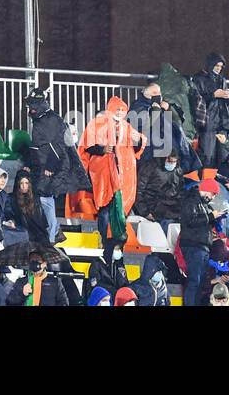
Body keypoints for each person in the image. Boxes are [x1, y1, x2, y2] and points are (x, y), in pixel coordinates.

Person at [78, 95, 146, 240]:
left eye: (122, 109)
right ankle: (105, 239)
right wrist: (102, 149)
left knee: (119, 209)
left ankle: (116, 241)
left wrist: (139, 140)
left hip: (123, 179)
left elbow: (137, 145)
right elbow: (86, 145)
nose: (120, 112)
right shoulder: (97, 124)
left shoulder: (127, 127)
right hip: (104, 175)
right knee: (105, 209)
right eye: (117, 109)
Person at [179, 177, 222, 306]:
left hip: (202, 247)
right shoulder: (191, 200)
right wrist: (210, 216)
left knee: (200, 282)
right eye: (213, 194)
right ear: (206, 190)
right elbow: (190, 221)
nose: (213, 198)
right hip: (193, 246)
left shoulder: (203, 204)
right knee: (194, 281)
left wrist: (214, 218)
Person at [190, 51, 229, 168]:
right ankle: (207, 183)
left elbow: (227, 103)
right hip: (208, 122)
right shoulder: (199, 78)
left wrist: (227, 97)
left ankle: (221, 183)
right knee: (208, 156)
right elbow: (196, 100)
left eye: (221, 66)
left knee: (224, 155)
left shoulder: (222, 79)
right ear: (210, 65)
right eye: (217, 66)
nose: (219, 69)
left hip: (222, 122)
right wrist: (213, 95)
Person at [136, 151, 184, 223]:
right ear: (164, 158)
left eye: (174, 162)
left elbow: (180, 191)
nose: (171, 164)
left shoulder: (178, 170)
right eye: (169, 161)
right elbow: (139, 191)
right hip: (153, 207)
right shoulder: (150, 167)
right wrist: (145, 212)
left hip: (171, 208)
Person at [83, 238, 130, 302]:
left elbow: (124, 283)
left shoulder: (119, 265)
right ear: (110, 250)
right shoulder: (97, 264)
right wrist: (114, 291)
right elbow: (95, 285)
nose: (119, 251)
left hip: (116, 299)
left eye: (120, 249)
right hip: (100, 299)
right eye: (117, 249)